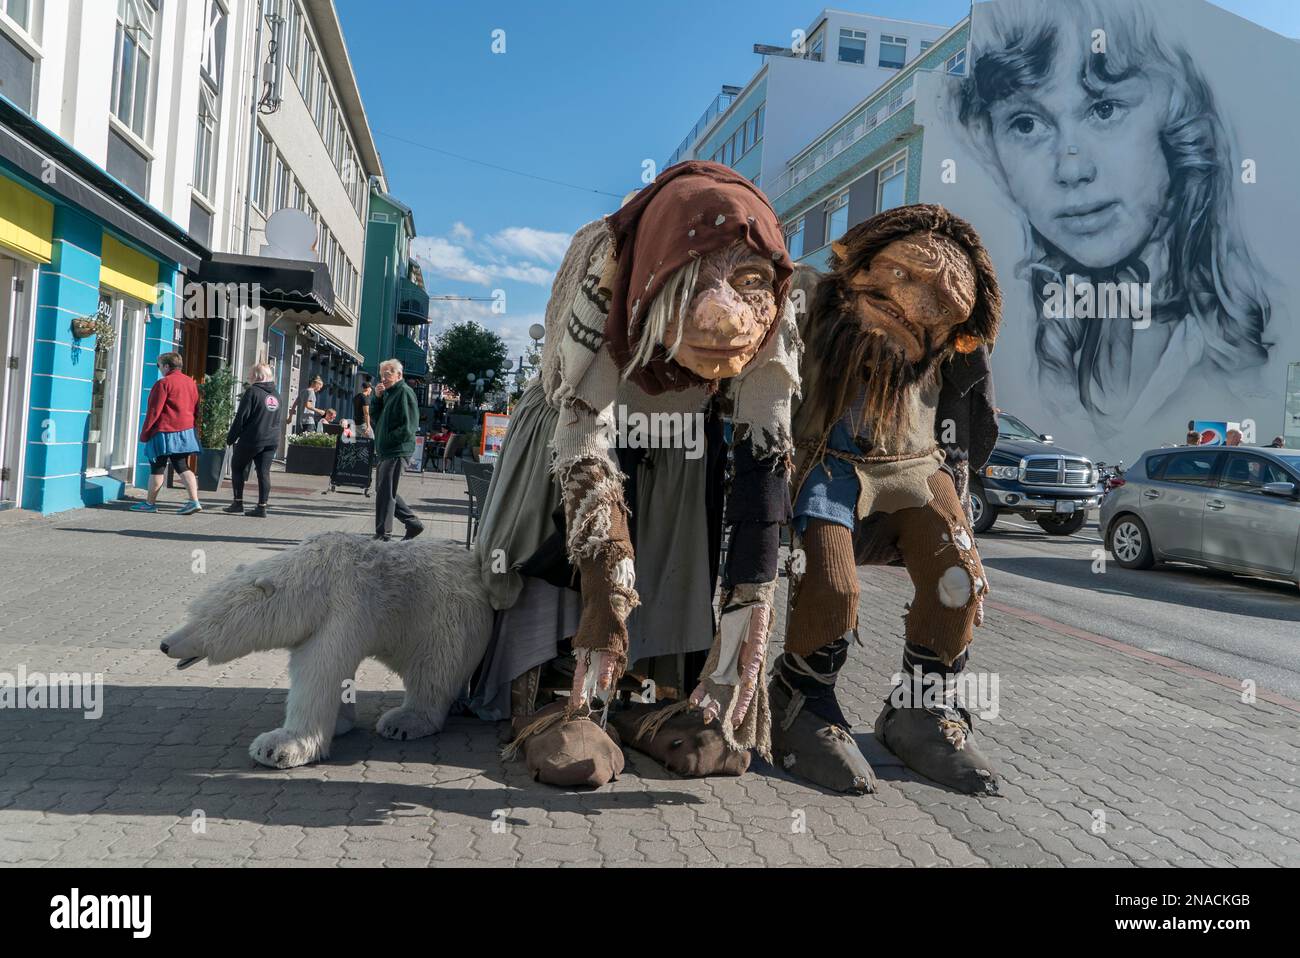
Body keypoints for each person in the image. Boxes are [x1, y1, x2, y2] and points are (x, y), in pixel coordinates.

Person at [955, 0, 1271, 439]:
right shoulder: (1009, 318)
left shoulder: (1236, 332)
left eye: (1104, 110)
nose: (1071, 169)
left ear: (1176, 121)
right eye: (1026, 124)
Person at [132, 352, 203, 514]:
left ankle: (150, 504)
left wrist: (145, 433)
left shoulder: (163, 383)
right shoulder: (190, 382)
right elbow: (196, 408)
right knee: (182, 466)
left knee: (157, 467)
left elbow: (154, 411)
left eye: (159, 365)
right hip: (185, 431)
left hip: (164, 432)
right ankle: (194, 501)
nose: (159, 369)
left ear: (166, 366)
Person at [371, 359, 423, 541]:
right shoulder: (389, 393)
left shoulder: (404, 392)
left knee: (385, 492)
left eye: (388, 374)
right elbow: (377, 418)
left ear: (399, 375)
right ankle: (412, 523)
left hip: (397, 450)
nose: (383, 378)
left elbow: (409, 426)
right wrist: (377, 398)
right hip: (387, 450)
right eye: (382, 375)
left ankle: (383, 534)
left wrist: (388, 439)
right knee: (383, 490)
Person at [223, 363, 281, 517]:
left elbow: (241, 417)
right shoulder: (276, 394)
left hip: (253, 438)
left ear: (257, 376)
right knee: (264, 472)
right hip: (272, 439)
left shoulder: (252, 392)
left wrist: (231, 438)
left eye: (250, 375)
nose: (248, 378)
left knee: (237, 467)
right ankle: (262, 507)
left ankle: (238, 503)